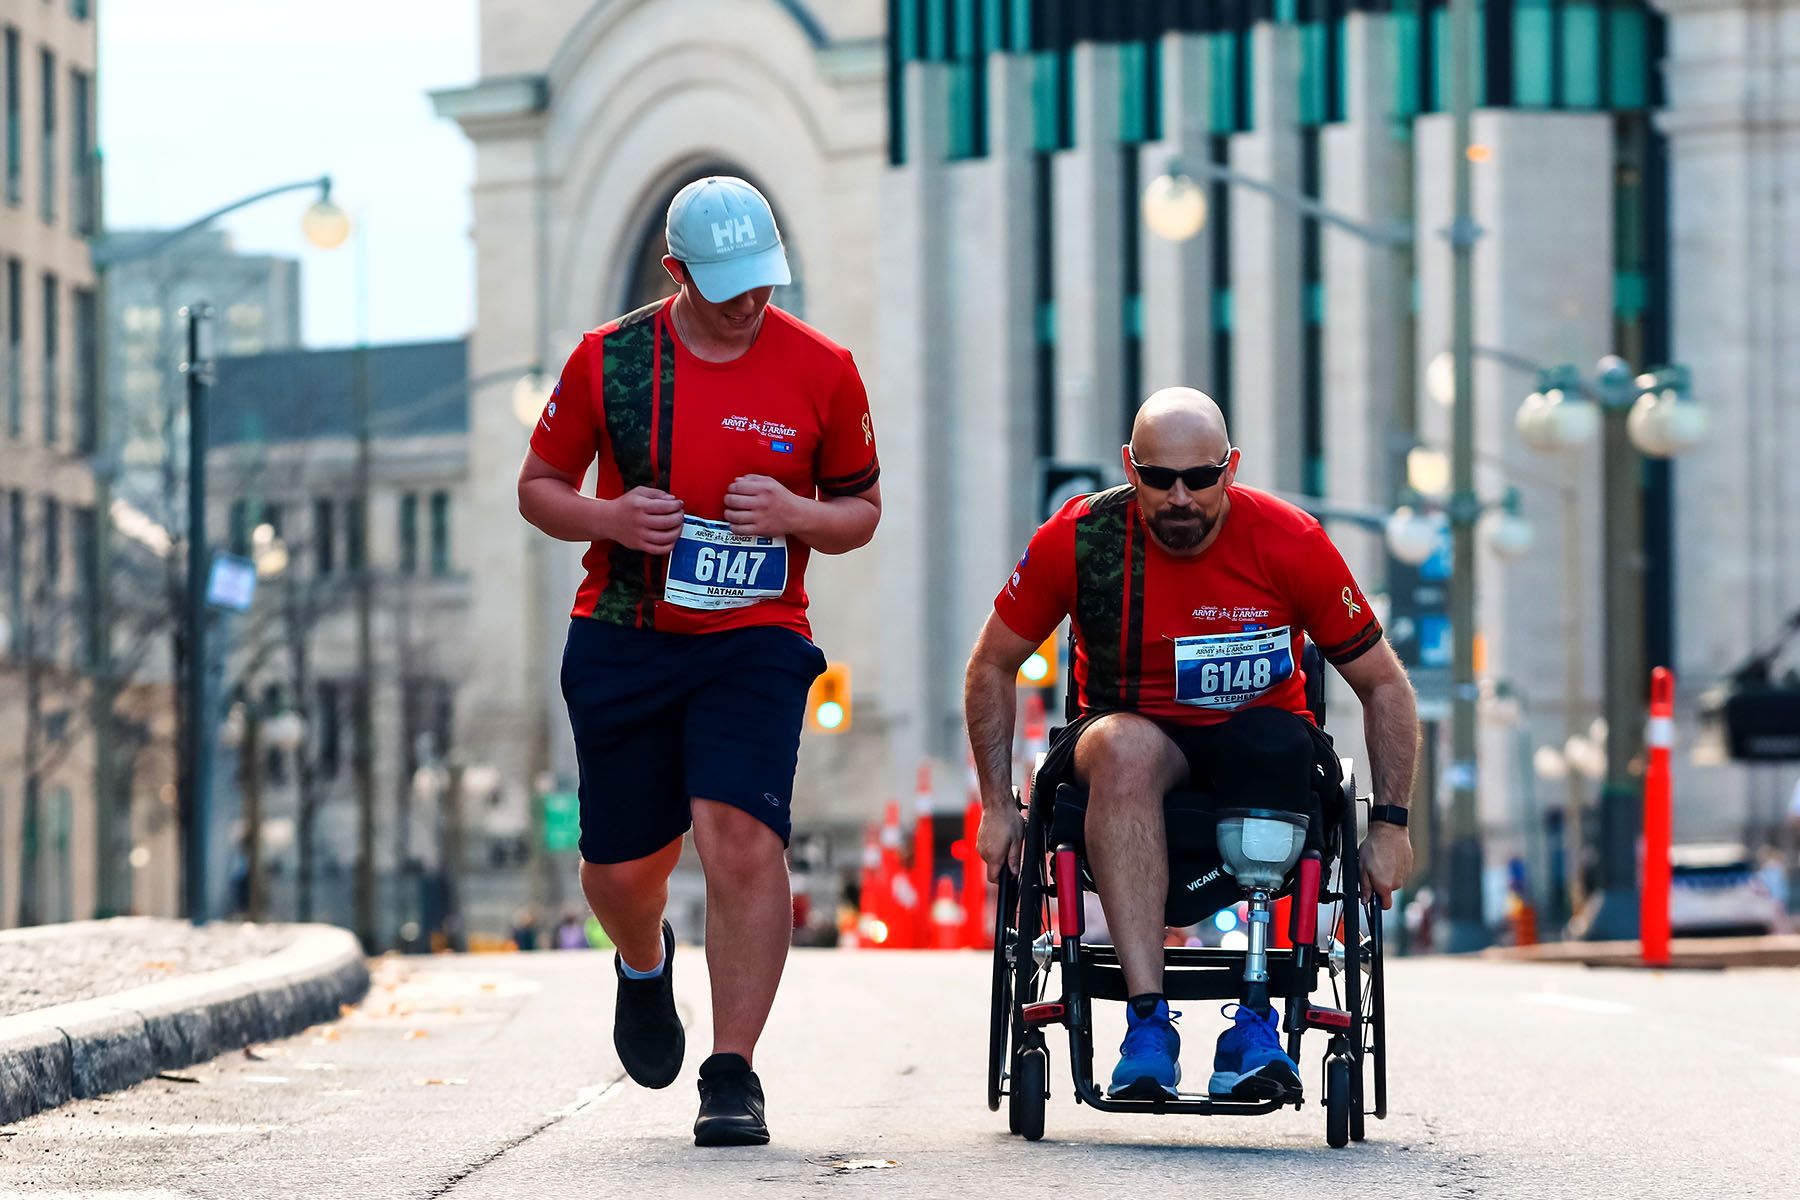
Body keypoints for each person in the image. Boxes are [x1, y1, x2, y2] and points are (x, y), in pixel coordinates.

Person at [518, 176, 881, 1147]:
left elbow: (860, 511)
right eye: (727, 287)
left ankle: (734, 1073)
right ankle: (643, 962)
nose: (750, 304)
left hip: (755, 639)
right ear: (677, 273)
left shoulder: (825, 371)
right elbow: (538, 488)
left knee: (741, 837)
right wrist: (608, 516)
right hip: (626, 636)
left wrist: (798, 515)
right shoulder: (611, 363)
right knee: (619, 873)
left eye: (763, 283)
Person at [964, 387, 1417, 1103]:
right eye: (1159, 477)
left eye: (1201, 478)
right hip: (1131, 742)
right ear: (1129, 466)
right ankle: (1147, 1026)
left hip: (1258, 751)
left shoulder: (1291, 542)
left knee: (1271, 741)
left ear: (1229, 468)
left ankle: (1258, 1022)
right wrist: (995, 804)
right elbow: (990, 663)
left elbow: (1386, 686)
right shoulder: (1083, 539)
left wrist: (1390, 827)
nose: (1180, 496)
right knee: (1123, 748)